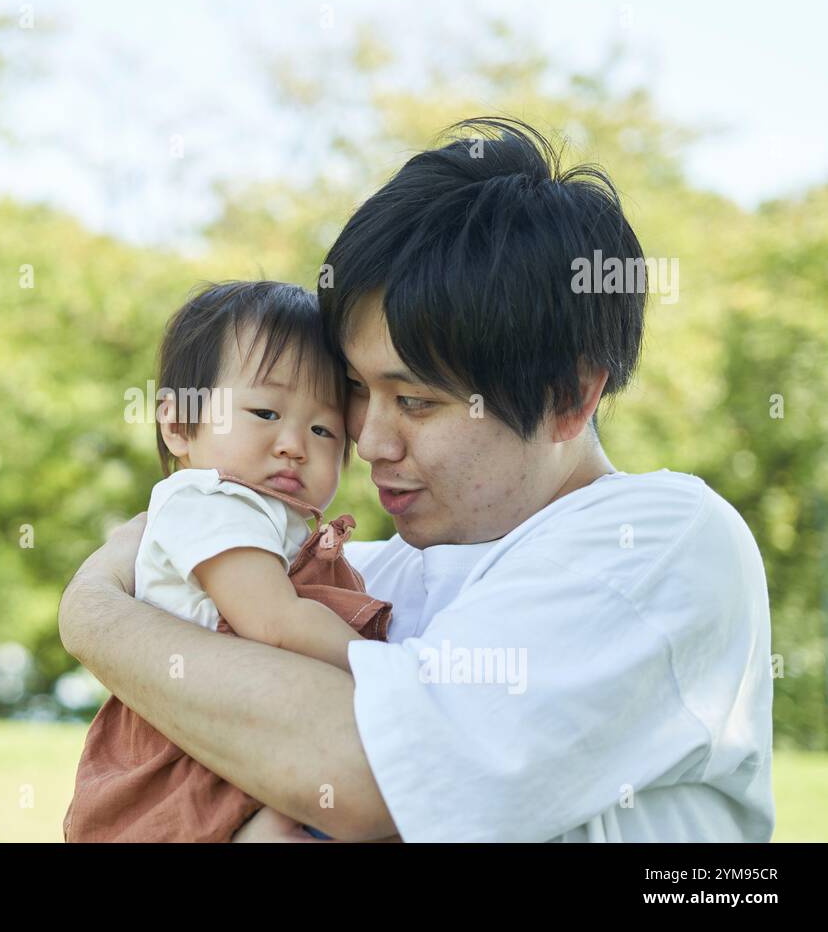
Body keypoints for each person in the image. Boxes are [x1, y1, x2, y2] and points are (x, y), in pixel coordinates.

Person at [59, 118, 774, 842]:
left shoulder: (661, 542)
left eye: (416, 401)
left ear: (567, 397)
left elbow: (373, 776)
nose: (366, 440)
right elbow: (167, 548)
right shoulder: (364, 572)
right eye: (356, 392)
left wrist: (92, 614)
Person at [63, 281, 390, 842]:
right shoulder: (211, 501)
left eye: (323, 429)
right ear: (178, 424)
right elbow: (276, 623)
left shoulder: (275, 521)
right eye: (264, 411)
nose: (294, 443)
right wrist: (392, 671)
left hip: (244, 749)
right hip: (189, 763)